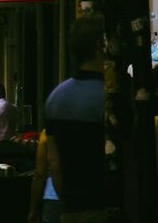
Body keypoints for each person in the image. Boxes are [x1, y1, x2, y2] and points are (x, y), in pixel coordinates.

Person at [44, 16, 109, 222]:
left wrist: (68, 202)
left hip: (70, 209)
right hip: (104, 207)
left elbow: (54, 162)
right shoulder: (109, 97)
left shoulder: (56, 99)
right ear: (101, 45)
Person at [27, 129, 62, 223]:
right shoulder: (89, 128)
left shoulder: (47, 134)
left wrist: (33, 210)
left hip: (54, 197)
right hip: (86, 199)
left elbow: (40, 174)